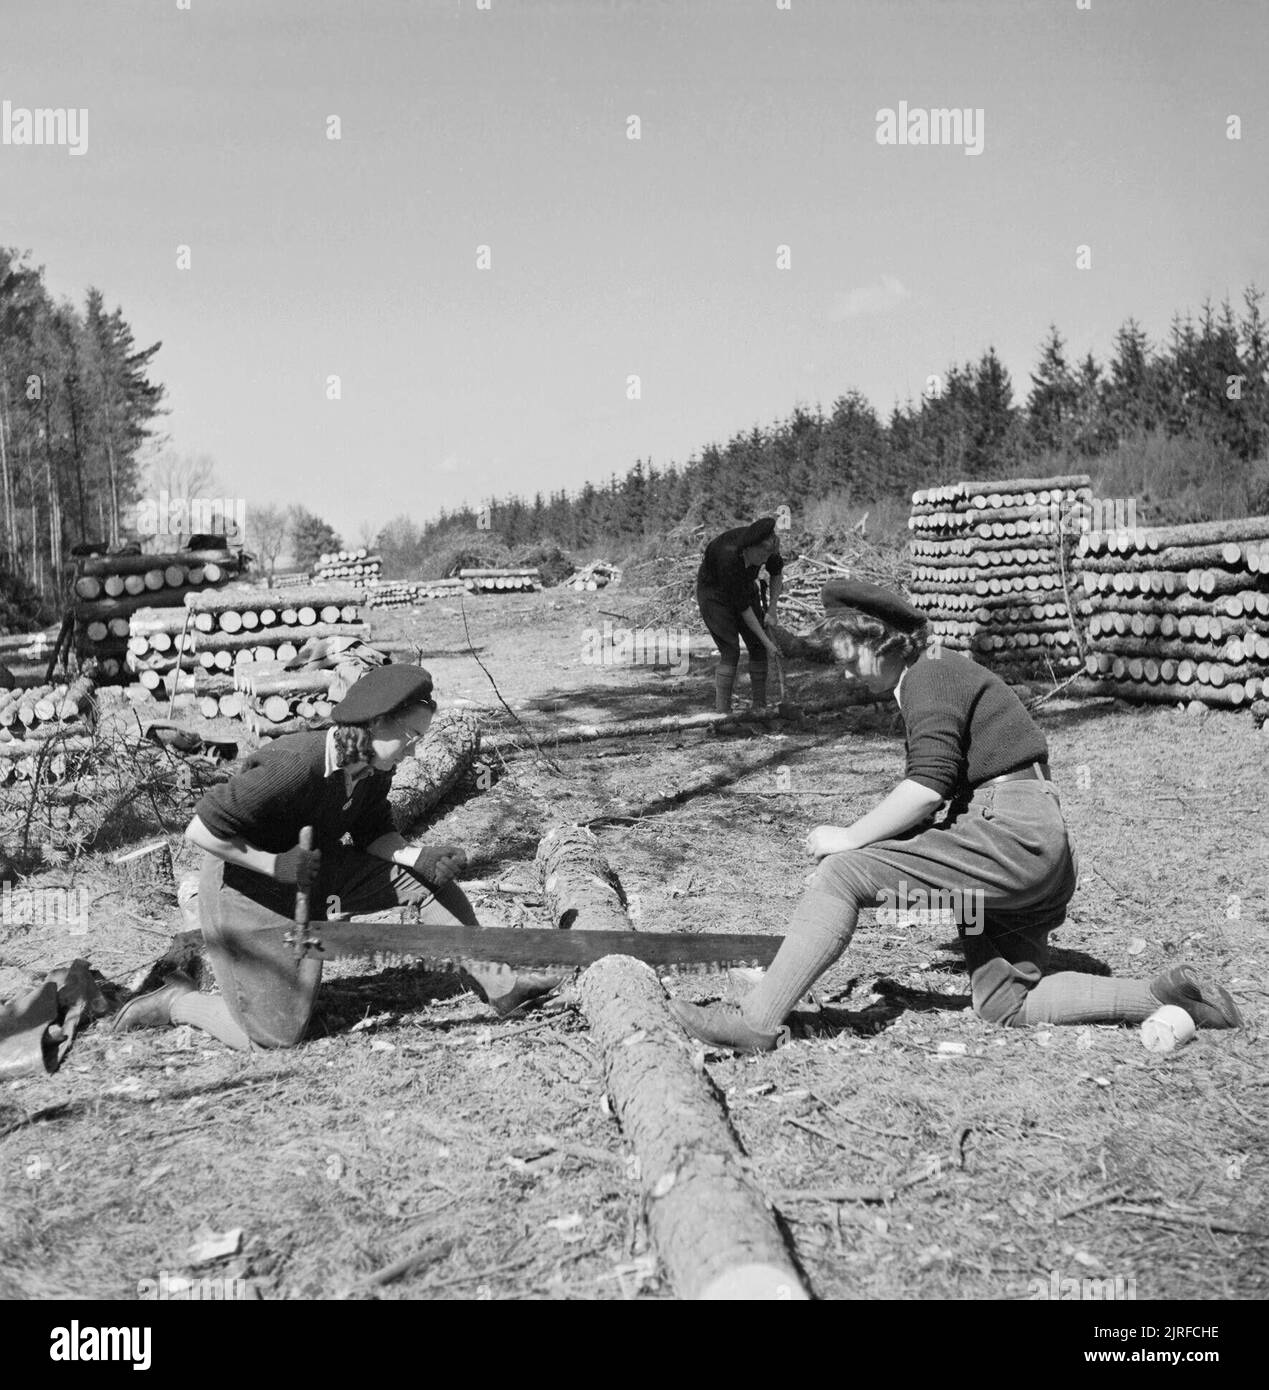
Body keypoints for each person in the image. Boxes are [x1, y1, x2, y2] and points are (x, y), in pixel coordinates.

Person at [671, 578, 1245, 1052]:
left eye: (851, 660)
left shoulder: (930, 674)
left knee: (842, 873)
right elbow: (941, 800)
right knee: (1004, 1004)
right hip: (1036, 846)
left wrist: (847, 840)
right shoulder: (938, 673)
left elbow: (925, 789)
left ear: (886, 642)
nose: (844, 673)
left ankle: (755, 1023)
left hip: (1010, 834)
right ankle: (1162, 997)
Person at [111, 664, 562, 1049]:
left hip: (310, 876)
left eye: (420, 738)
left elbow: (373, 834)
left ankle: (502, 986)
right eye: (409, 734)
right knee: (277, 1037)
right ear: (376, 722)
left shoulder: (373, 769)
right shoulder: (295, 764)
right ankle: (179, 1002)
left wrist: (417, 857)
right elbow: (200, 830)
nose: (415, 748)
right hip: (243, 886)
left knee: (425, 882)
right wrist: (274, 865)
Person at [696, 517, 785, 714]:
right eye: (762, 556)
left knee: (758, 647)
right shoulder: (728, 558)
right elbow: (744, 609)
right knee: (731, 650)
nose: (764, 561)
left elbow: (776, 573)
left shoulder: (767, 543)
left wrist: (772, 609)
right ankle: (723, 715)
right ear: (749, 548)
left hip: (744, 586)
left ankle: (759, 708)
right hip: (714, 594)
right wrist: (768, 642)